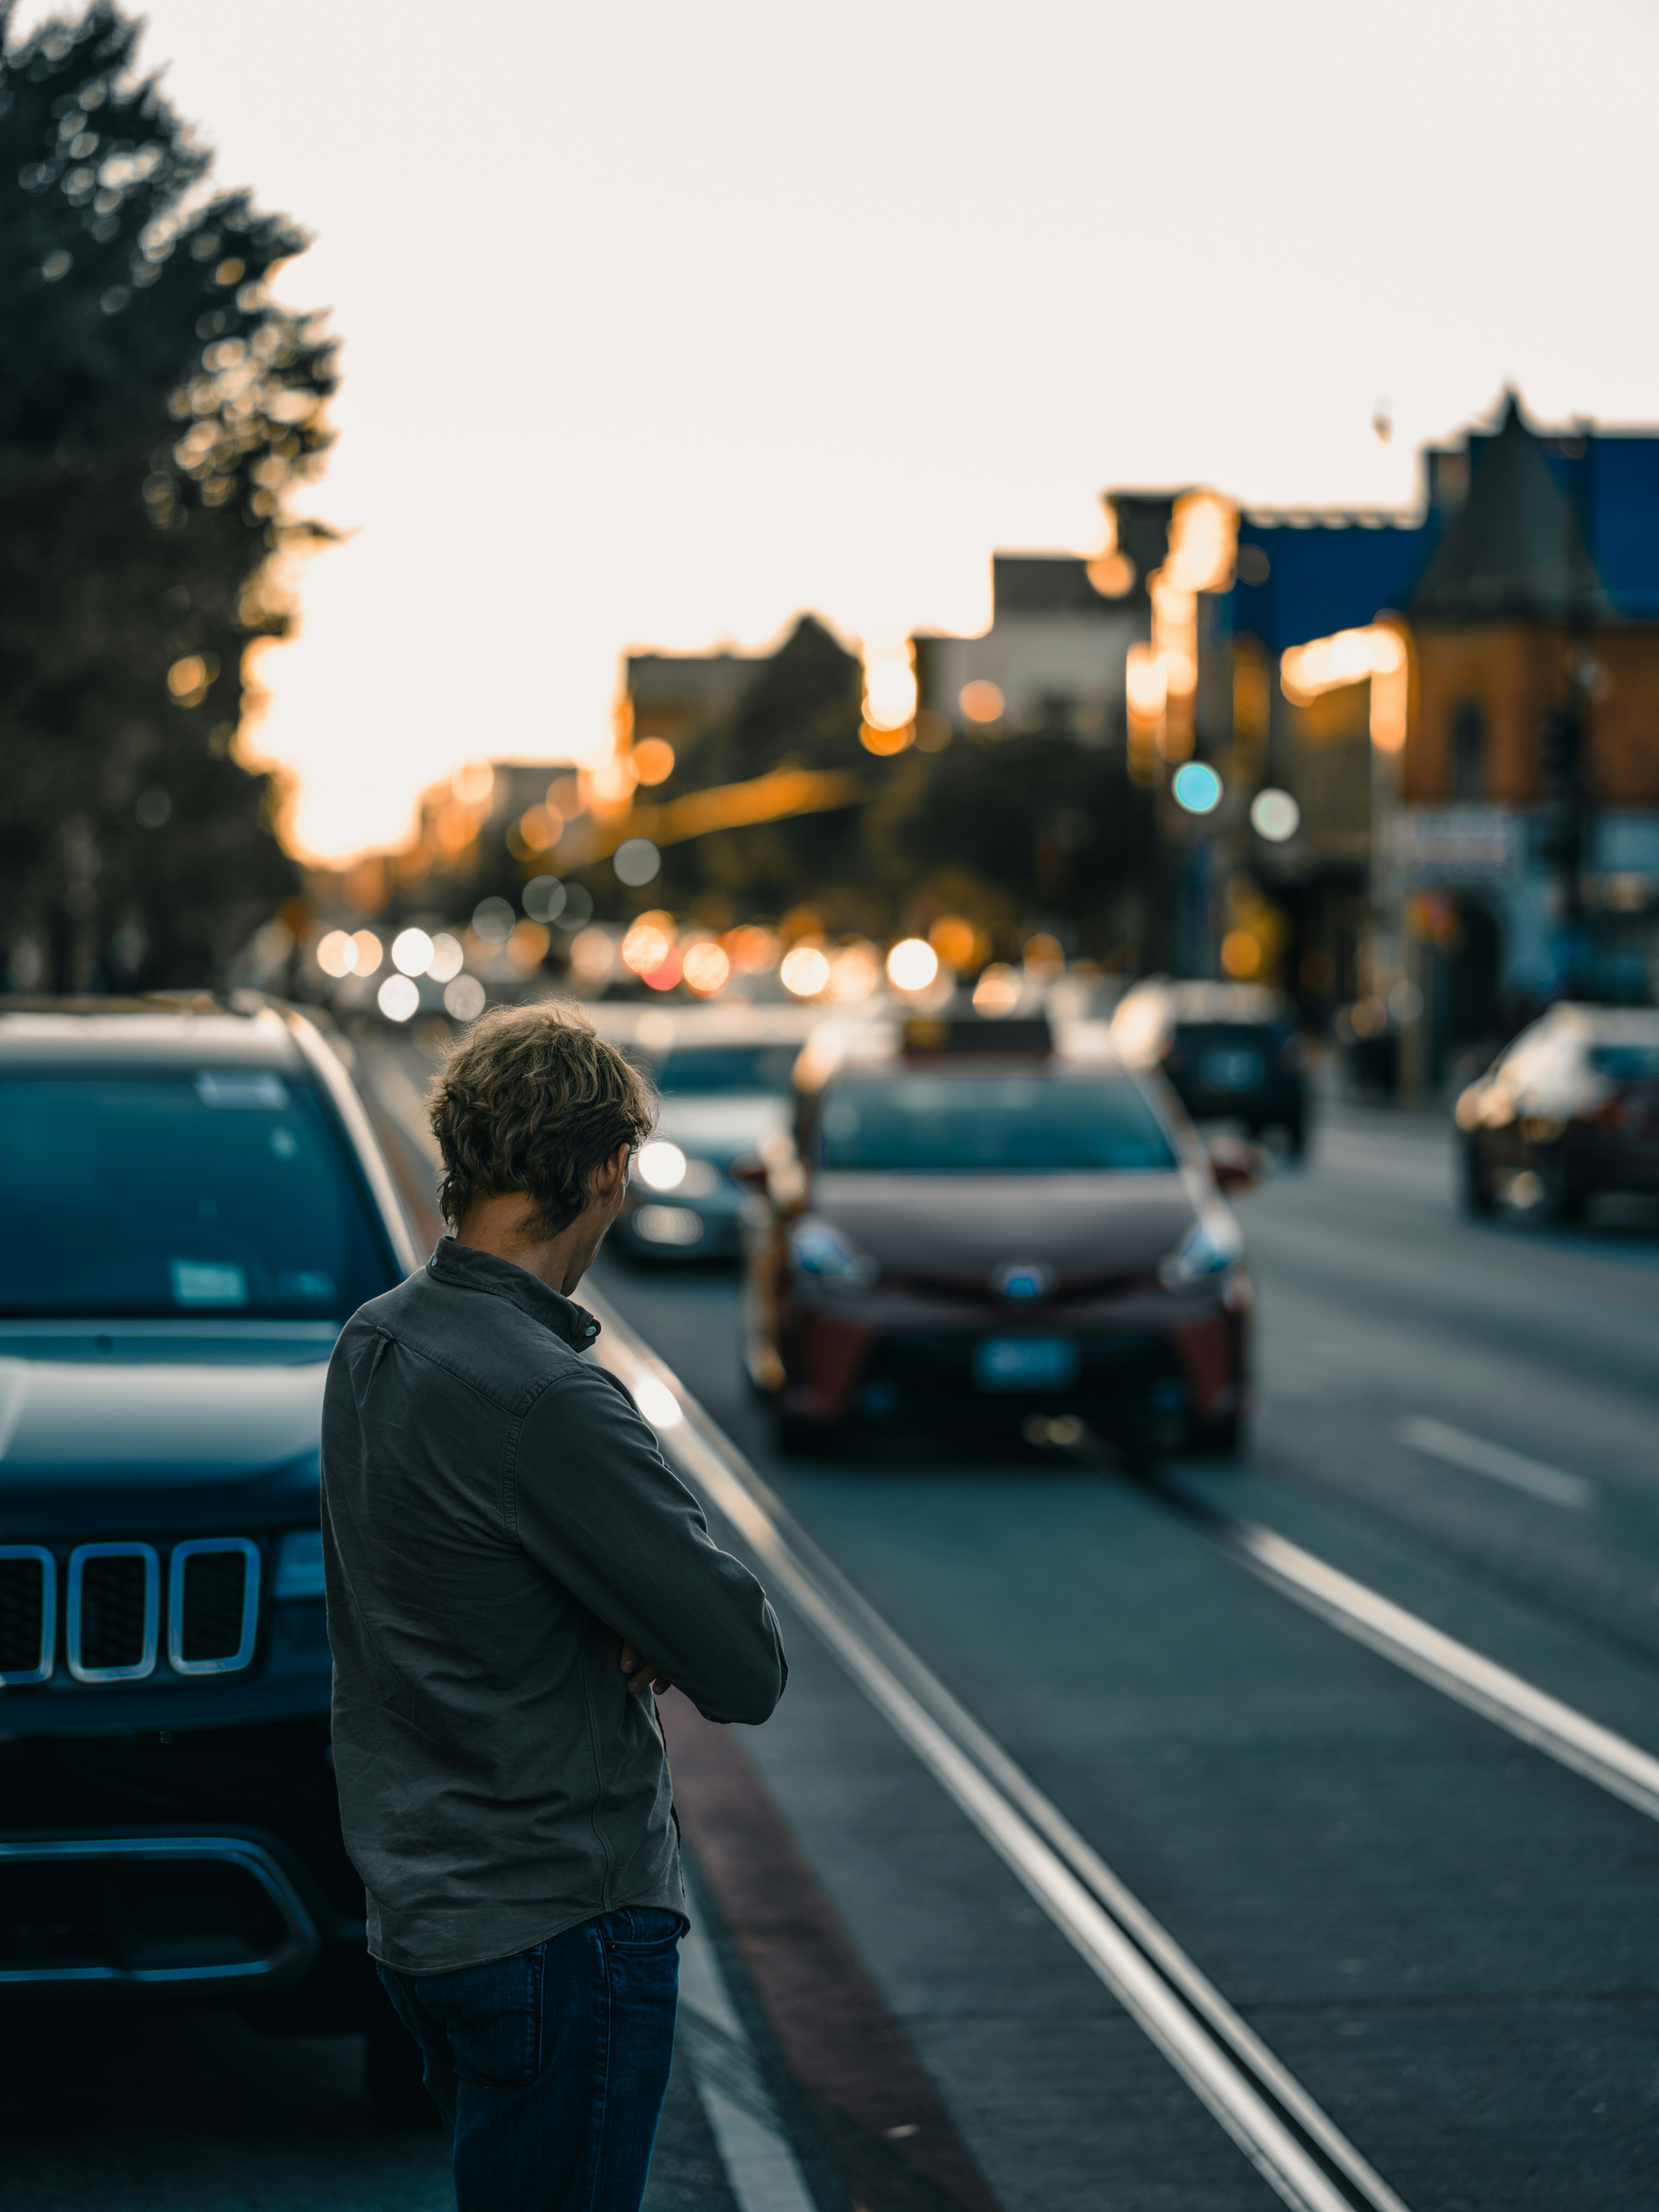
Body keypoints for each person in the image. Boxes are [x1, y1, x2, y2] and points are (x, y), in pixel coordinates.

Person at [321, 1002, 787, 2211]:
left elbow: (432, 1590)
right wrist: (625, 1615)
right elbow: (743, 1663)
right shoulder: (550, 1401)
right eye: (618, 1177)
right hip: (556, 1929)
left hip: (422, 1917)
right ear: (596, 1169)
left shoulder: (373, 1345)